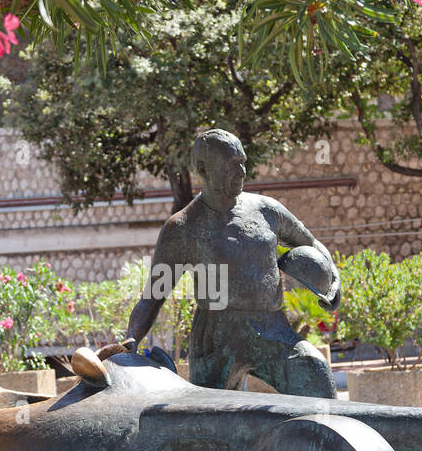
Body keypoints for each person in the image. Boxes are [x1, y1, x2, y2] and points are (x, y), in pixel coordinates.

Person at [124, 128, 339, 398]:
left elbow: (311, 244)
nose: (242, 173)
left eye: (243, 163)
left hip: (271, 327)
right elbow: (153, 296)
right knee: (209, 422)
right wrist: (131, 337)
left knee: (315, 372)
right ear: (203, 169)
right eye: (231, 166)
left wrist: (333, 280)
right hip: (215, 338)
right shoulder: (182, 228)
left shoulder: (267, 210)